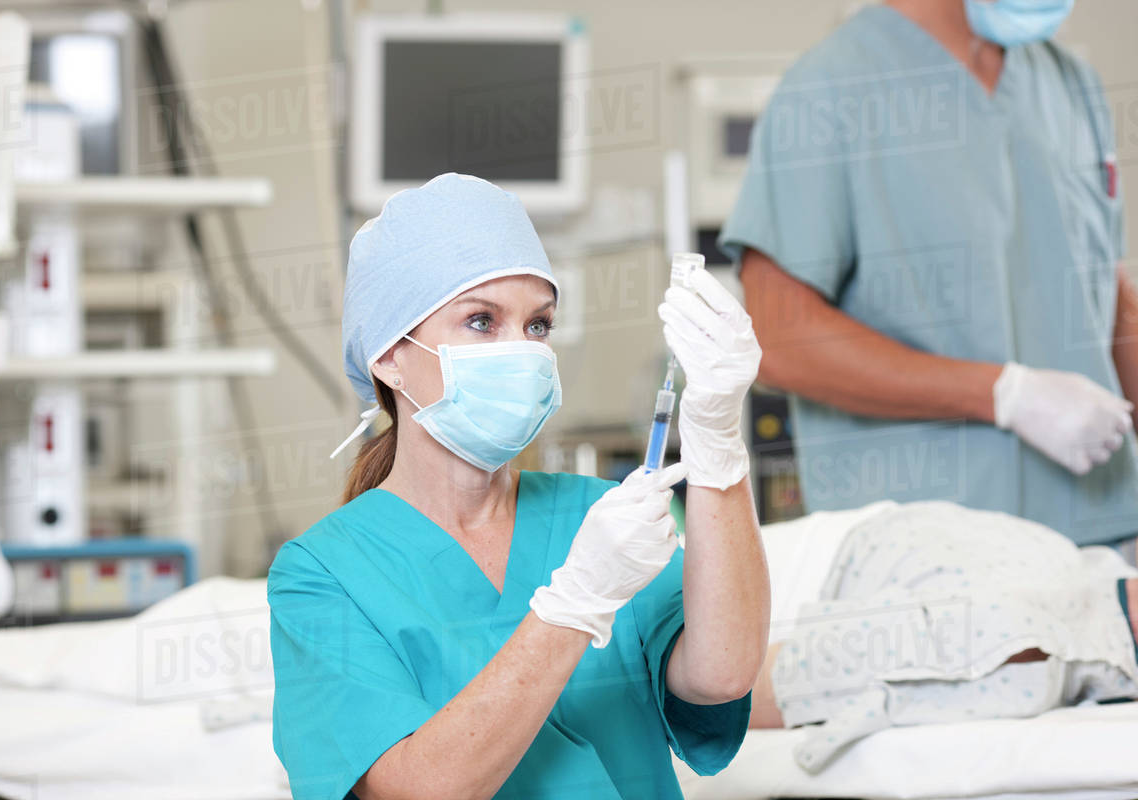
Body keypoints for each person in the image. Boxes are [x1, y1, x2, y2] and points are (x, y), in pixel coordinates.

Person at [267, 173, 770, 799]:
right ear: (389, 355)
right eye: (481, 321)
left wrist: (719, 447)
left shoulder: (600, 517)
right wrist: (575, 603)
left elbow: (722, 675)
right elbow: (418, 790)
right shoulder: (323, 574)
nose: (523, 351)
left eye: (538, 325)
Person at [717, 0, 1138, 557]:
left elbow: (1109, 299)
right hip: (919, 562)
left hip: (1101, 535)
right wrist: (1004, 394)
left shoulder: (1069, 83)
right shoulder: (829, 88)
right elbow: (779, 338)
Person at [746, 500, 1138, 772]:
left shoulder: (1040, 628)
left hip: (794, 577)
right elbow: (744, 687)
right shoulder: (1037, 627)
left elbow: (747, 687)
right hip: (770, 586)